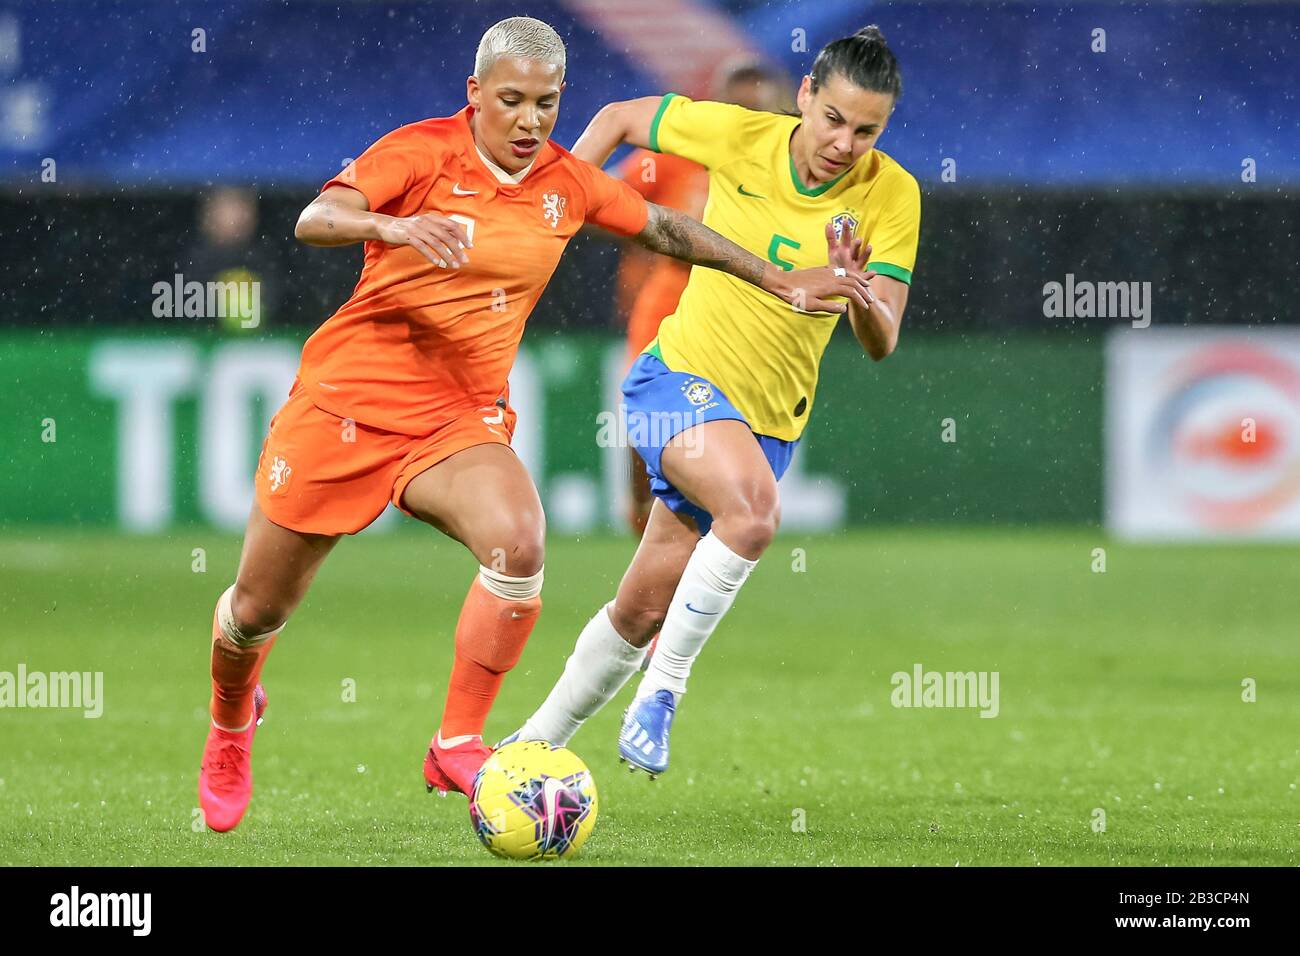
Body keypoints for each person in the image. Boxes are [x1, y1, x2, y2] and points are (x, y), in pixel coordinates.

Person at [197, 16, 873, 831]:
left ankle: (456, 739)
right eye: (511, 101)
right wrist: (394, 225)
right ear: (476, 93)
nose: (529, 121)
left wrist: (780, 280)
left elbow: (667, 229)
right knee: (254, 613)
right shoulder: (418, 152)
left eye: (546, 104)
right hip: (343, 407)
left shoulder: (565, 181)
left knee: (519, 545)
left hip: (454, 418)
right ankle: (232, 721)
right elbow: (318, 217)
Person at [509, 26, 921, 776]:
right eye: (833, 119)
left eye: (867, 130)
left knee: (639, 610)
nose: (844, 142)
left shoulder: (892, 193)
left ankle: (523, 749)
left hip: (768, 424)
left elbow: (881, 338)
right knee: (754, 514)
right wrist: (547, 204)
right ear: (806, 97)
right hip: (678, 378)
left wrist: (858, 290)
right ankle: (663, 692)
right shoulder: (741, 135)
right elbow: (619, 117)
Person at [616, 58, 789, 535]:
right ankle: (641, 518)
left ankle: (716, 519)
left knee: (735, 420)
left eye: (758, 110)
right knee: (646, 416)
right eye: (738, 108)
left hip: (745, 307)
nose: (747, 120)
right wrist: (646, 233)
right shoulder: (676, 158)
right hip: (673, 293)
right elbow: (603, 198)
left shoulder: (791, 171)